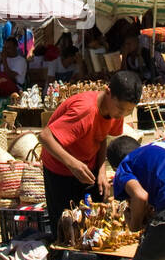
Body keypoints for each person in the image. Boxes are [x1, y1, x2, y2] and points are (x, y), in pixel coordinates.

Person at [39, 70, 142, 236]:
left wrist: (101, 169)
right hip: (60, 169)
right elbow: (45, 137)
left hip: (86, 166)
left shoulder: (113, 110)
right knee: (66, 226)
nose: (121, 115)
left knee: (92, 219)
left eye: (128, 112)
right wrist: (73, 164)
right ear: (108, 92)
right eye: (120, 109)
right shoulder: (84, 111)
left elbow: (100, 137)